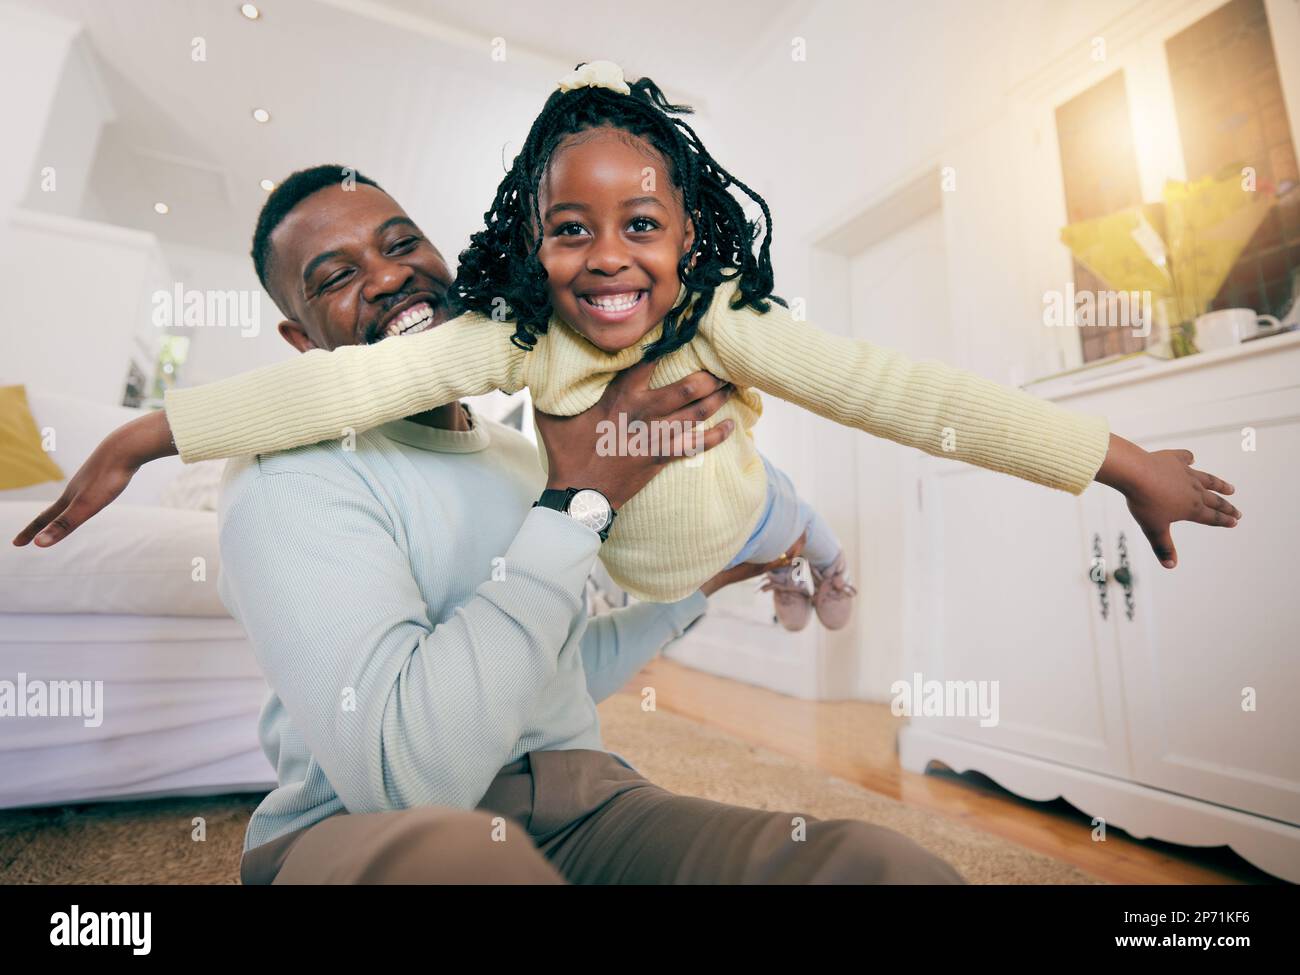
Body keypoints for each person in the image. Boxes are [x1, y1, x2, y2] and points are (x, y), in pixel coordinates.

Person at [13, 61, 1244, 631]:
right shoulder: (502, 340)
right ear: (527, 242)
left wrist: (1115, 457)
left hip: (753, 507)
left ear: (689, 232)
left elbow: (904, 393)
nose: (607, 257)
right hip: (635, 567)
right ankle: (778, 576)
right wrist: (144, 435)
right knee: (643, 571)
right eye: (570, 228)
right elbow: (359, 379)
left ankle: (817, 574)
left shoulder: (726, 318)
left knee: (804, 527)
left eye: (640, 225)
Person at [16, 164, 965, 883]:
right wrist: (578, 501)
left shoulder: (520, 453)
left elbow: (552, 679)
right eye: (337, 274)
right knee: (471, 863)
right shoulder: (287, 479)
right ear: (302, 344)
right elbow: (410, 776)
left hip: (585, 803)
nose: (389, 278)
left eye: (401, 244)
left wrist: (697, 592)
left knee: (877, 868)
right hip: (367, 835)